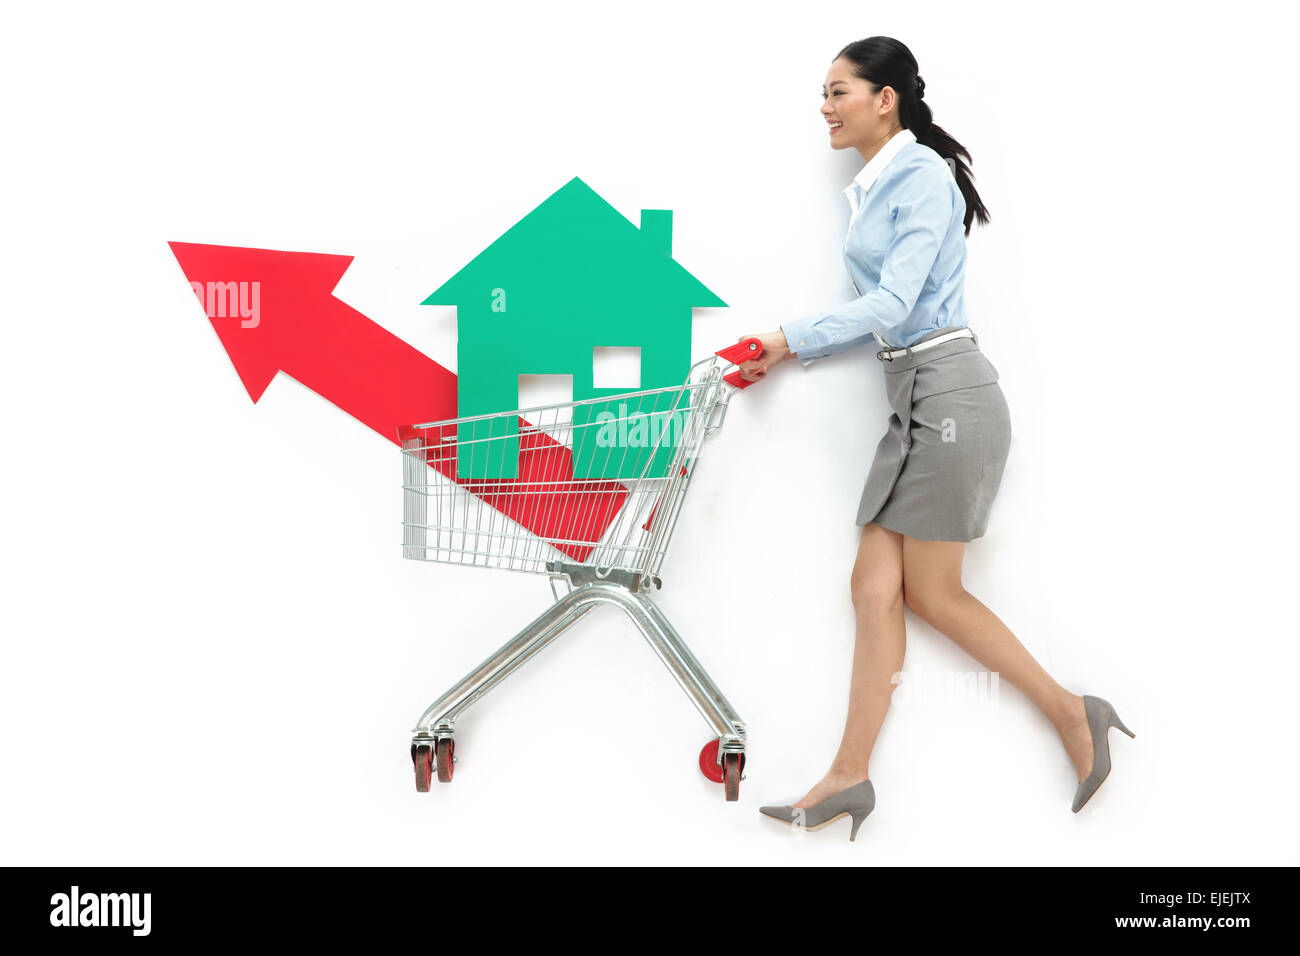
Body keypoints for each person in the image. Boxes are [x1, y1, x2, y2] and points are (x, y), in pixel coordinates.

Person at [745, 37, 1134, 842]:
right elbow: (888, 314)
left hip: (950, 394)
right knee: (873, 590)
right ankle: (851, 775)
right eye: (822, 92)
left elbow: (892, 305)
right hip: (914, 399)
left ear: (884, 98)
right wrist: (792, 347)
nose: (824, 106)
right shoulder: (881, 181)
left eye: (838, 91)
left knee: (935, 593)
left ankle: (1073, 710)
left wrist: (788, 338)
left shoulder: (918, 174)